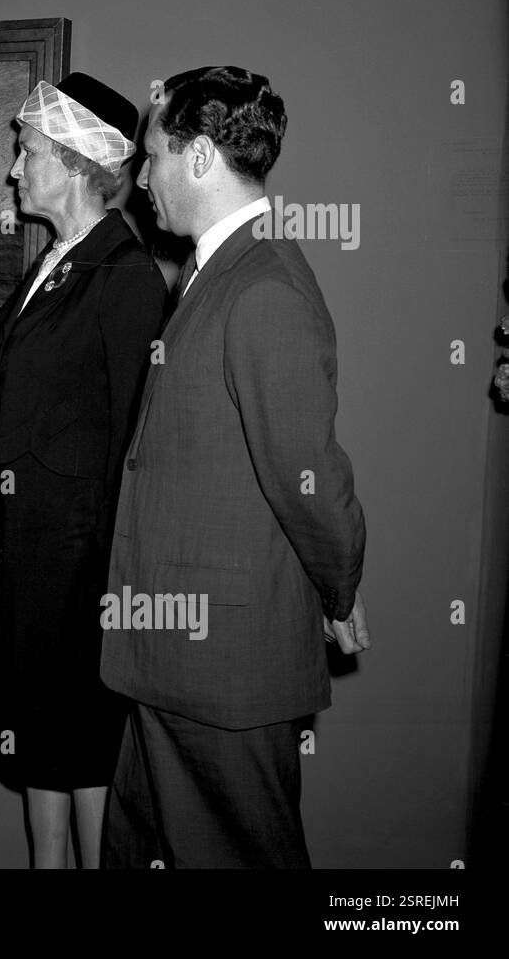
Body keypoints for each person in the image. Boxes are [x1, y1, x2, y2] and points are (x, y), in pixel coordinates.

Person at [100, 65, 370, 869]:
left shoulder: (264, 287)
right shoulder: (215, 272)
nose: (139, 178)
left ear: (201, 156)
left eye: (151, 155)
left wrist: (340, 585)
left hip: (223, 660)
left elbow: (308, 475)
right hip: (172, 653)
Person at [0, 74, 169, 868]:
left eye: (26, 151)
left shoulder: (122, 274)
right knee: (40, 750)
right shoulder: (59, 258)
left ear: (76, 161)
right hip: (32, 552)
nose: (16, 169)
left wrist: (118, 586)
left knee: (84, 750)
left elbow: (139, 442)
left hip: (86, 567)